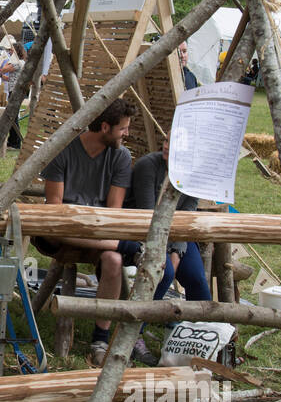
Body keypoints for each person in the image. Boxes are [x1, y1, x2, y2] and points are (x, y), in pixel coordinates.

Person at [35, 98, 142, 364]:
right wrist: (98, 231)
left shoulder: (121, 157)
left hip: (99, 231)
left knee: (115, 260)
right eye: (123, 129)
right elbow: (55, 210)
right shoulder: (64, 149)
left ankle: (100, 338)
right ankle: (126, 248)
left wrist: (99, 231)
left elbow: (113, 213)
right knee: (59, 229)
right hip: (61, 230)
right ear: (105, 127)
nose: (126, 134)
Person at [127, 137, 212, 303]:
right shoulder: (148, 166)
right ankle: (138, 323)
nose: (166, 146)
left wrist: (177, 252)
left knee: (195, 277)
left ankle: (206, 325)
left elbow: (187, 215)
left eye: (175, 144)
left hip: (177, 233)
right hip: (142, 232)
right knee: (164, 273)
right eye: (166, 140)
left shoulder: (196, 175)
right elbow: (149, 215)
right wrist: (167, 253)